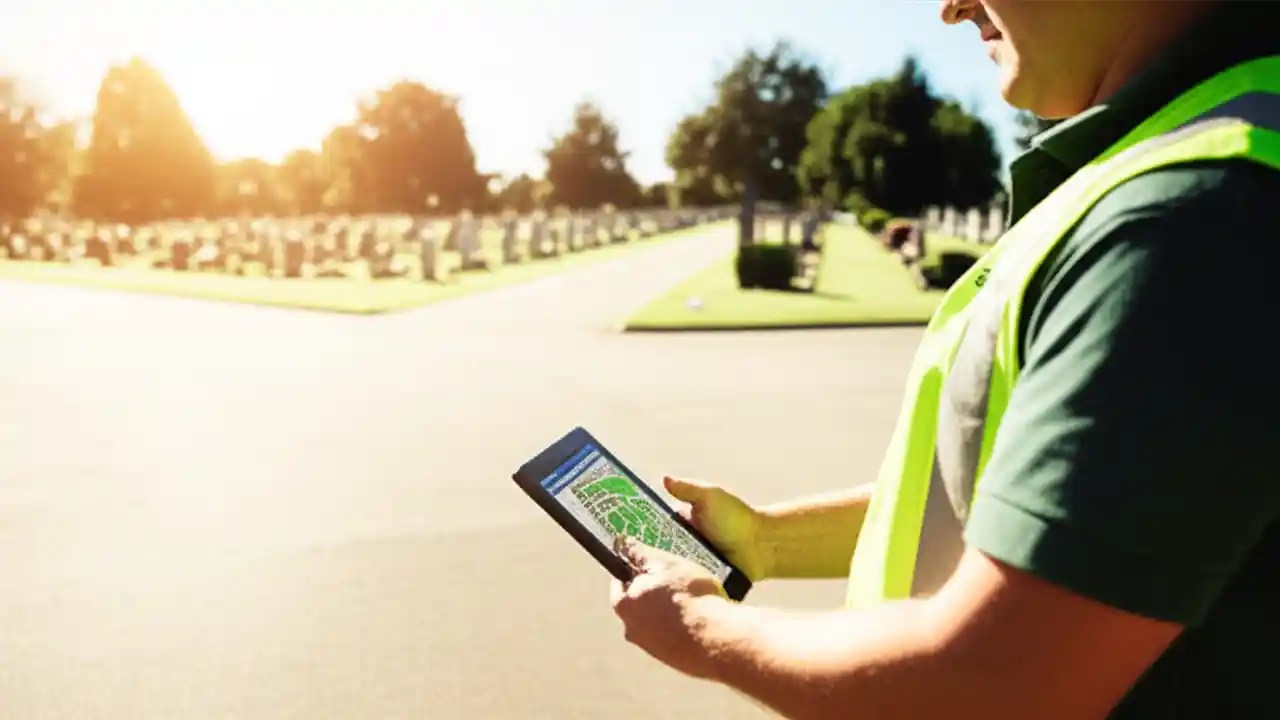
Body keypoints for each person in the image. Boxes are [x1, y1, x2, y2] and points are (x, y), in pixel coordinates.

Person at [609, 2, 1280, 718]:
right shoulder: (1171, 167)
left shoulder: (1188, 212)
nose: (951, 7)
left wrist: (703, 627)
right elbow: (1041, 506)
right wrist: (768, 541)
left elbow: (993, 684)